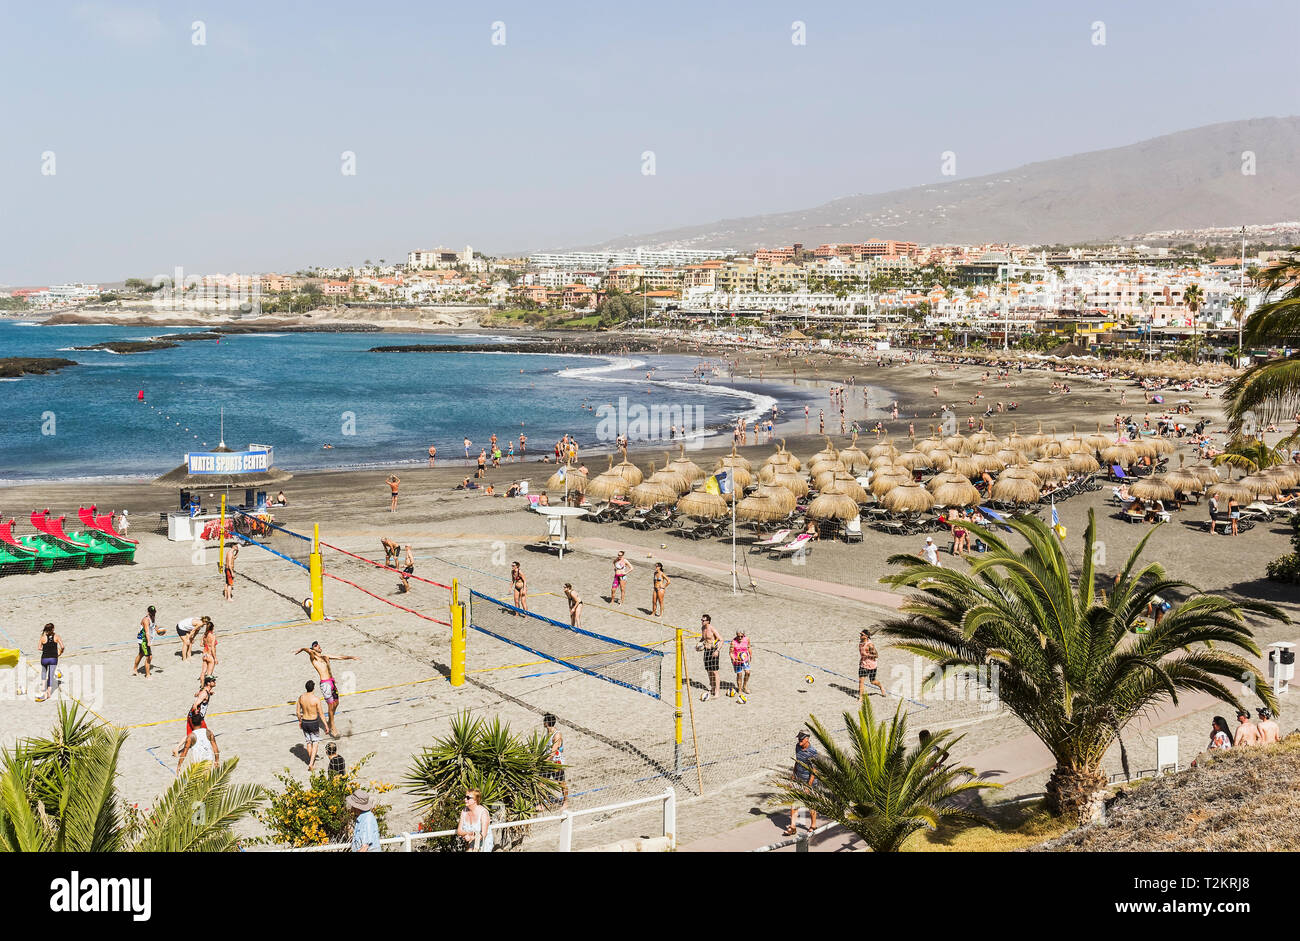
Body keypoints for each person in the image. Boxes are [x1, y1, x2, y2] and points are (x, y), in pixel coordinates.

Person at [295, 641, 359, 737]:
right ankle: (333, 728)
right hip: (325, 684)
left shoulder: (325, 656)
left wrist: (351, 657)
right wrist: (302, 649)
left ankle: (330, 721)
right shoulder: (314, 658)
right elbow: (309, 651)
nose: (318, 646)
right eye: (315, 646)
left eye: (318, 644)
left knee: (336, 703)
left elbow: (340, 657)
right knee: (330, 706)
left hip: (331, 682)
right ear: (313, 649)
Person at [784, 730, 820, 837]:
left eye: (801, 739)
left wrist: (808, 786)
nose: (799, 740)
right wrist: (793, 776)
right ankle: (793, 827)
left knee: (811, 805)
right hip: (799, 780)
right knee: (794, 804)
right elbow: (797, 761)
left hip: (810, 782)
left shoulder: (812, 752)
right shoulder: (798, 747)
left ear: (807, 739)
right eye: (798, 738)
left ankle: (813, 826)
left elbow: (814, 771)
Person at [173, 674, 218, 758]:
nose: (215, 682)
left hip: (191, 715)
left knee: (190, 733)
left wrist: (208, 693)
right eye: (213, 681)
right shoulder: (204, 693)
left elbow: (196, 695)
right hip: (196, 717)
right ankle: (207, 749)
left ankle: (177, 748)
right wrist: (197, 715)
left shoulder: (204, 691)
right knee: (205, 733)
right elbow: (195, 704)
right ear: (208, 683)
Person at [296, 680, 326, 771]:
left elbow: (297, 712)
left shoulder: (301, 698)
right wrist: (326, 725)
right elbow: (321, 714)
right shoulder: (316, 699)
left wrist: (300, 721)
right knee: (315, 743)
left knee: (309, 742)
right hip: (313, 722)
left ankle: (311, 761)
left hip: (305, 721)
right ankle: (311, 763)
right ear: (313, 688)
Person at [542, 713, 568, 809]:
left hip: (556, 763)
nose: (543, 722)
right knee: (541, 782)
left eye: (544, 721)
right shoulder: (548, 732)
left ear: (546, 723)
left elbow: (553, 752)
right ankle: (542, 804)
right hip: (548, 762)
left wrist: (543, 761)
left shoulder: (556, 735)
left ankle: (565, 802)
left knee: (561, 783)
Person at [132, 605, 165, 678]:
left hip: (146, 639)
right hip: (143, 640)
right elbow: (147, 632)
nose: (153, 614)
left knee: (141, 654)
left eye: (154, 612)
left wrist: (158, 629)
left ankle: (134, 670)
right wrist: (149, 642)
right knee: (149, 657)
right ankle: (147, 675)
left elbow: (154, 625)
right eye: (152, 612)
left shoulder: (153, 616)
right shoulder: (146, 620)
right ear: (148, 612)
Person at [457, 788, 494, 852]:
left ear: (475, 800)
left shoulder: (483, 812)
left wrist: (472, 837)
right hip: (472, 844)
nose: (465, 799)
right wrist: (467, 834)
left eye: (468, 798)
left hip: (484, 845)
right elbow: (459, 831)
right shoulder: (464, 811)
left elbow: (483, 834)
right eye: (465, 797)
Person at [697, 614, 722, 700]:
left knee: (715, 672)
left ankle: (717, 692)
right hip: (706, 651)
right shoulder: (703, 628)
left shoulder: (712, 628)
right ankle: (712, 688)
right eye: (701, 620)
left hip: (713, 651)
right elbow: (704, 638)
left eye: (703, 620)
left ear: (708, 621)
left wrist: (717, 650)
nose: (702, 621)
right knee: (709, 671)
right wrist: (699, 644)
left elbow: (721, 639)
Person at [36, 622, 64, 702]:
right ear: (52, 629)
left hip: (44, 658)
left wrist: (46, 649)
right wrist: (60, 652)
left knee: (44, 674)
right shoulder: (57, 637)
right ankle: (48, 693)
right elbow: (62, 646)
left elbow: (39, 648)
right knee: (51, 675)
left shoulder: (43, 637)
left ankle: (42, 690)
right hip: (53, 658)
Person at [858, 629, 884, 699]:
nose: (860, 636)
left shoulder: (870, 645)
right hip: (863, 665)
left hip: (872, 665)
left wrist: (866, 655)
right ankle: (860, 698)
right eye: (860, 634)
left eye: (862, 635)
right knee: (861, 681)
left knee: (872, 682)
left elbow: (876, 656)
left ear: (866, 636)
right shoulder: (861, 642)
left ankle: (881, 687)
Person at [729, 628, 752, 700]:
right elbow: (731, 653)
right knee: (739, 674)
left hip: (745, 659)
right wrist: (733, 659)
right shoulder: (733, 642)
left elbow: (749, 647)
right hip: (737, 660)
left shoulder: (747, 639)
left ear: (744, 635)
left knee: (748, 672)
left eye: (741, 636)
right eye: (738, 636)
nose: (740, 638)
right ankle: (739, 689)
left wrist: (750, 655)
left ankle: (744, 687)